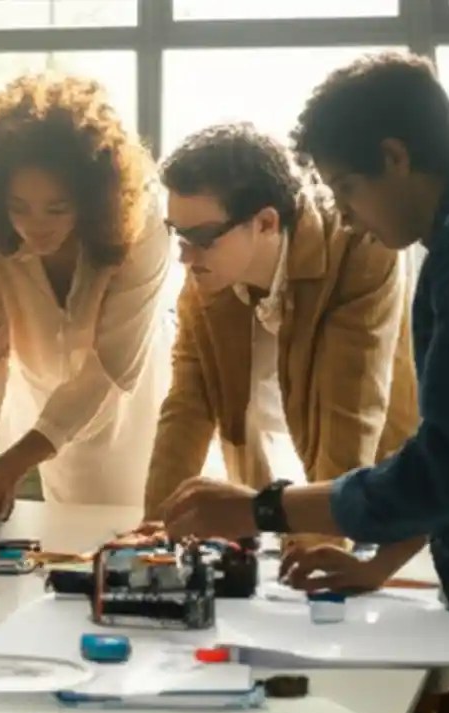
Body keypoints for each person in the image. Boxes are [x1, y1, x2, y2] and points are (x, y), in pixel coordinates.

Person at [154, 51, 449, 713]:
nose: (341, 214)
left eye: (344, 188)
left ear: (395, 158)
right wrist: (378, 563)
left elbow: (444, 470)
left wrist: (261, 509)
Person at [144, 122, 418, 555]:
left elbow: (352, 410)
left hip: (376, 505)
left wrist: (318, 541)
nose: (184, 256)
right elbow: (186, 408)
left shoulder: (359, 249)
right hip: (268, 498)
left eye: (199, 239)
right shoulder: (205, 282)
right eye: (177, 235)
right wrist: (155, 530)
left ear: (266, 222)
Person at [0, 71, 173, 517]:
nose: (35, 225)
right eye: (18, 207)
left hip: (134, 402)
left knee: (139, 529)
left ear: (90, 199)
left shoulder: (141, 224)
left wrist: (10, 466)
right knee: (66, 536)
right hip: (43, 408)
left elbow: (110, 369)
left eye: (57, 208)